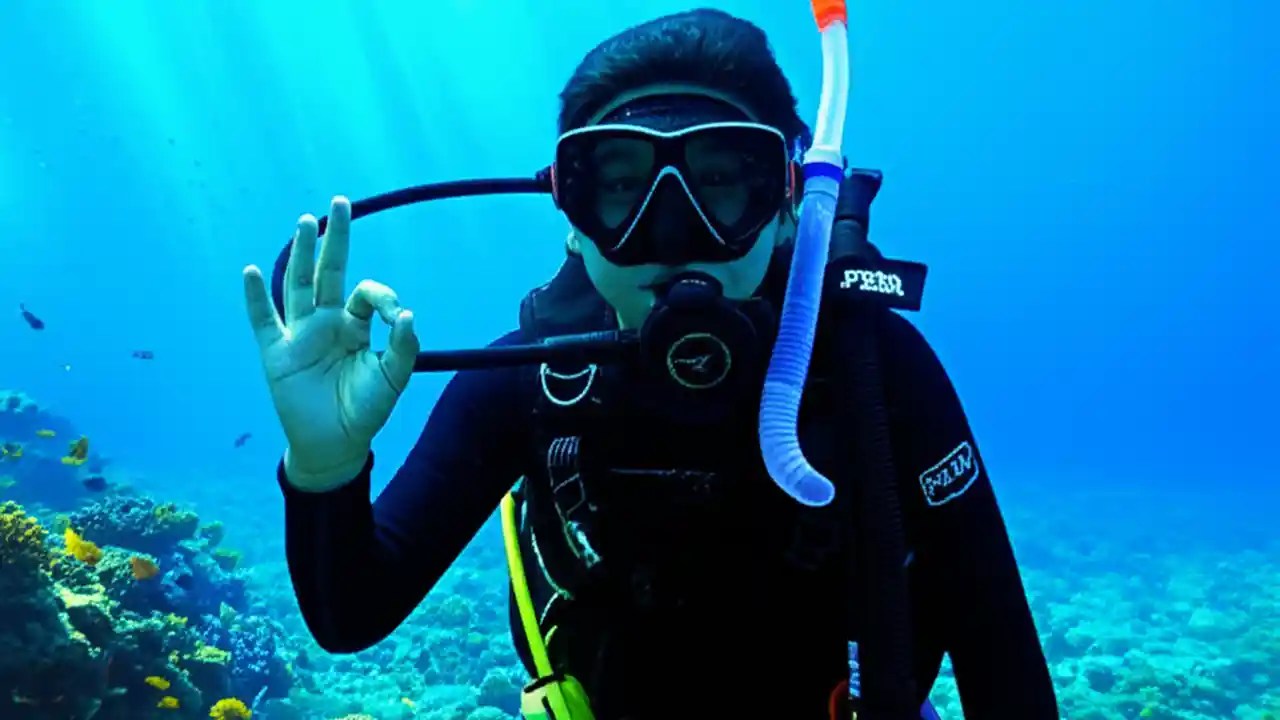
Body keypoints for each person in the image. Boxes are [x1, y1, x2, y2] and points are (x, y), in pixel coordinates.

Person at [241, 8, 1059, 720]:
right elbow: (350, 615)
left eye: (720, 181)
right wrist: (325, 469)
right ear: (570, 215)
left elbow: (1003, 668)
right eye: (623, 188)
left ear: (786, 209)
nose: (673, 234)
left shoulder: (875, 370)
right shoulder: (533, 380)